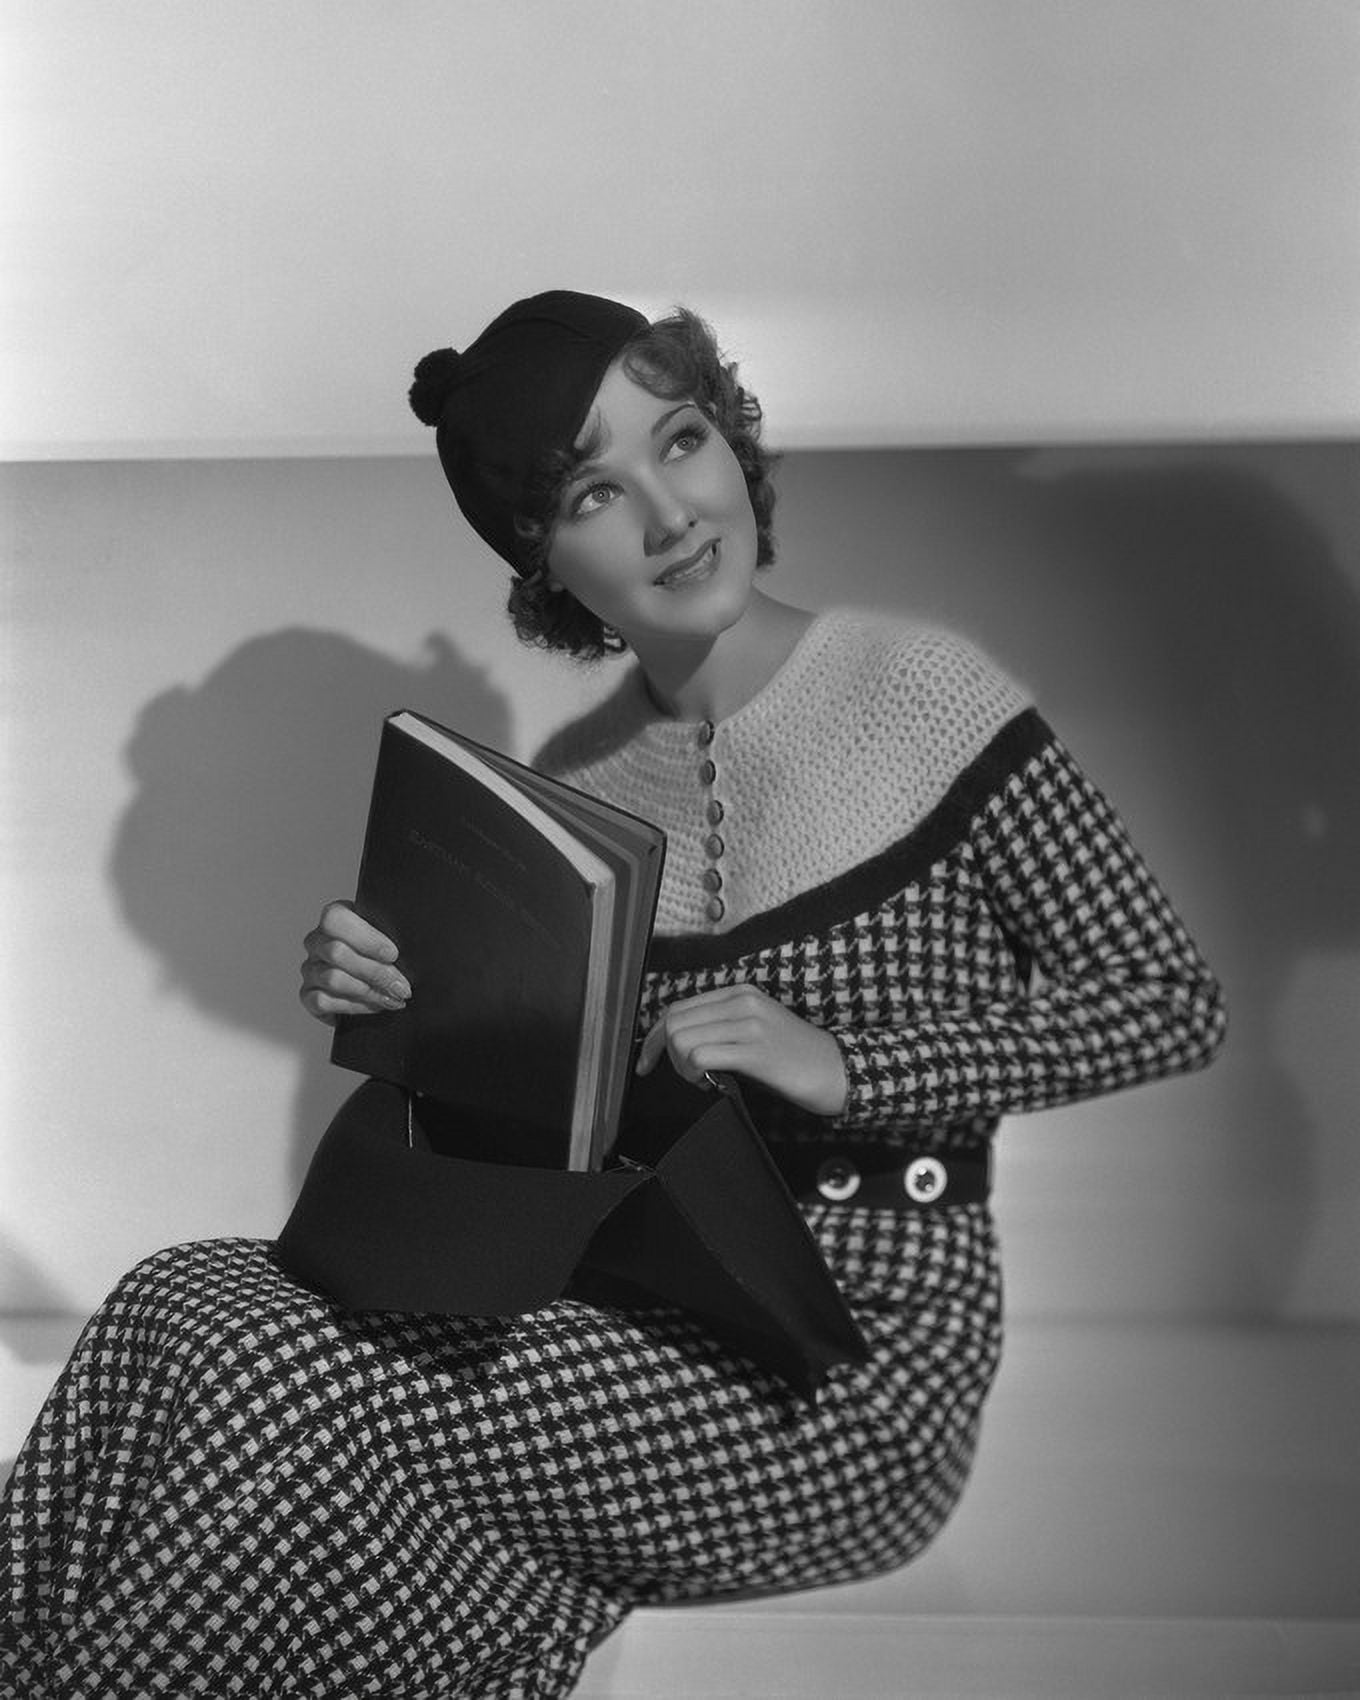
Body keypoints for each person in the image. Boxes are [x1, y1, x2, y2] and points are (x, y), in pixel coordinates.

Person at [0, 291, 1226, 1698]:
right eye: (596, 489)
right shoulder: (578, 785)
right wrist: (398, 1016)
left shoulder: (926, 694)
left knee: (288, 1386)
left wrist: (850, 1069)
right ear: (543, 558)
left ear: (734, 441)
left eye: (685, 440)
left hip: (850, 1384)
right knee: (182, 1303)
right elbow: (546, 1143)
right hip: (631, 1321)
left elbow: (1164, 999)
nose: (671, 514)